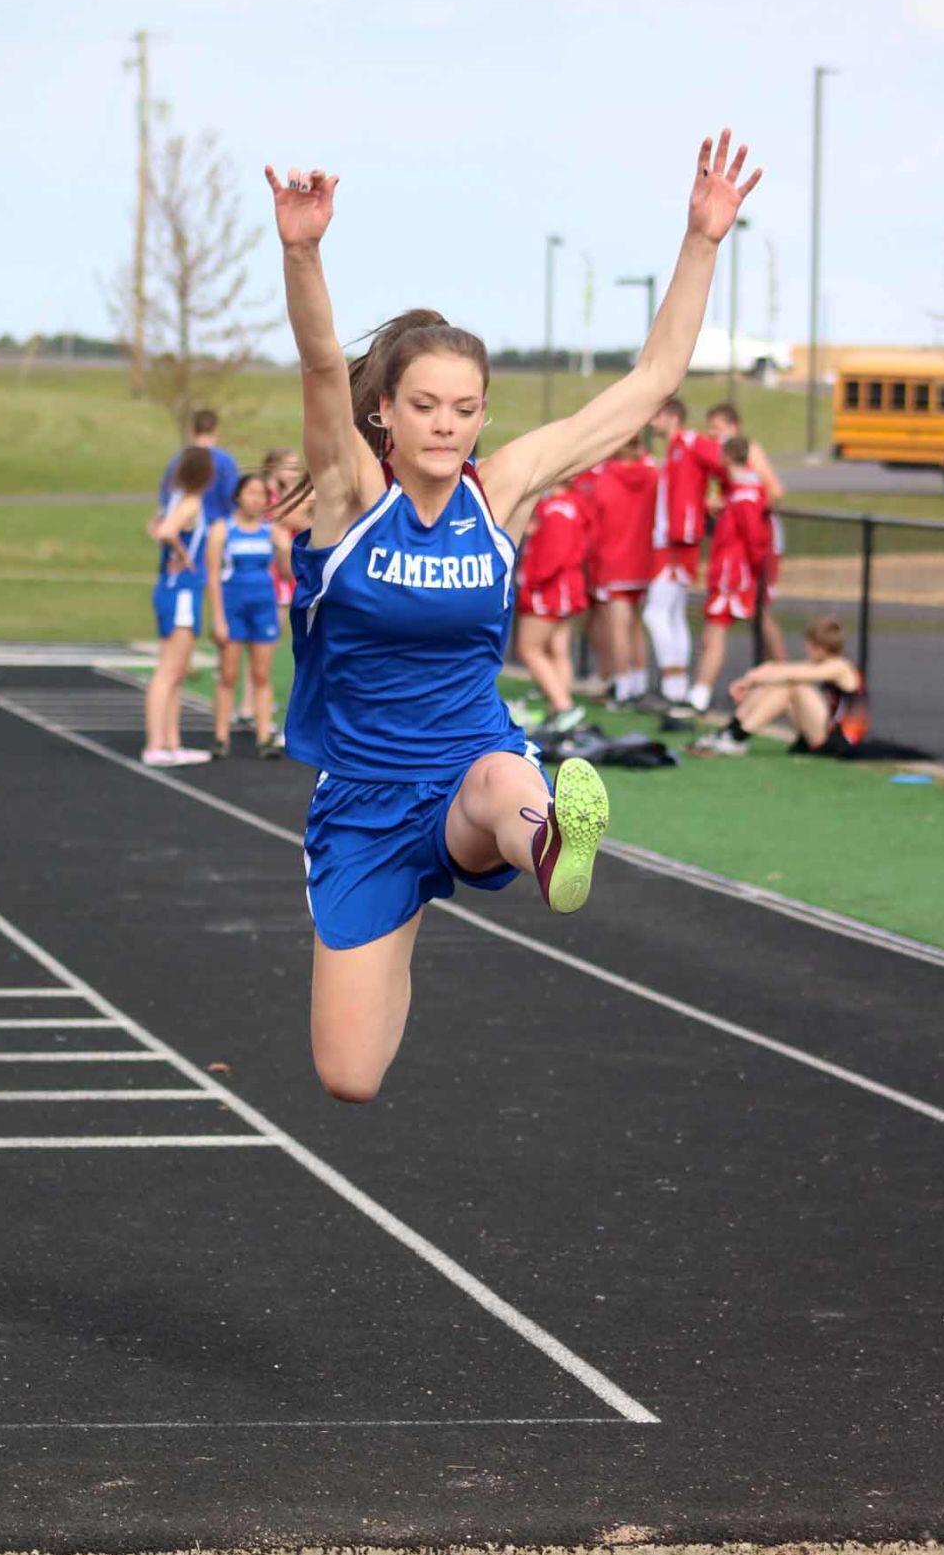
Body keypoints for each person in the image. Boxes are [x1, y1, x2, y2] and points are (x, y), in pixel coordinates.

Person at [264, 129, 759, 1101]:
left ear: (481, 414)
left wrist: (700, 240)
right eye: (425, 406)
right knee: (349, 1076)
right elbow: (324, 367)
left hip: (467, 775)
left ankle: (550, 839)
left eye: (462, 407)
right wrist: (302, 251)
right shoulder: (347, 498)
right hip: (363, 802)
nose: (445, 423)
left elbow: (648, 384)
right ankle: (415, 899)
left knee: (504, 771)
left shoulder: (500, 495)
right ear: (388, 418)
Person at [693, 613, 869, 756]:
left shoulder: (840, 667)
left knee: (795, 686)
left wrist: (752, 679)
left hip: (842, 742)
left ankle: (737, 738)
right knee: (778, 686)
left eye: (808, 645)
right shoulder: (824, 664)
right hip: (822, 732)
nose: (806, 650)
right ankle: (730, 733)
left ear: (818, 647)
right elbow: (777, 668)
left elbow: (790, 673)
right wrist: (748, 681)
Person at [207, 472, 294, 759]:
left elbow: (286, 573)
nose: (256, 499)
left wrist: (285, 551)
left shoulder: (271, 531)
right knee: (228, 674)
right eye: (251, 493)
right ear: (238, 496)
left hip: (263, 607)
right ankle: (221, 738)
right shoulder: (223, 529)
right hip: (233, 607)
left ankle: (263, 736)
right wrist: (218, 618)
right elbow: (212, 577)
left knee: (261, 673)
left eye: (261, 494)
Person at [646, 396, 723, 706]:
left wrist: (720, 496)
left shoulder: (690, 442)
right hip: (671, 538)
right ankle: (676, 686)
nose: (653, 422)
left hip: (679, 541)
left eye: (658, 415)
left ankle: (672, 684)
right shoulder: (675, 448)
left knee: (656, 613)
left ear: (673, 416)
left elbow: (724, 464)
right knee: (673, 613)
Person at [685, 435, 769, 714]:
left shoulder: (745, 493)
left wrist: (754, 567)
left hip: (734, 575)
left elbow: (754, 537)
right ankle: (701, 689)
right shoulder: (738, 490)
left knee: (715, 633)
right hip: (730, 572)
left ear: (729, 457)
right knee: (718, 631)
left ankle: (700, 692)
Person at [143, 445, 214, 768]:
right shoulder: (191, 503)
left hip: (170, 590)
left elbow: (156, 527)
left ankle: (172, 743)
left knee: (175, 672)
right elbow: (168, 531)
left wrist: (169, 545)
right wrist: (184, 557)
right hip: (182, 592)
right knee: (169, 672)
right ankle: (156, 744)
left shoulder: (174, 499)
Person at [584, 435, 659, 707]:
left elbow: (594, 523)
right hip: (643, 558)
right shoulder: (652, 476)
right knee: (635, 625)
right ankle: (638, 681)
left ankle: (623, 685)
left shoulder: (605, 480)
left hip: (612, 559)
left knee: (617, 626)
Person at [515, 486, 589, 734]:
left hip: (549, 589)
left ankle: (563, 706)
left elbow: (553, 554)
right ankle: (561, 712)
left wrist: (533, 581)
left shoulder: (555, 509)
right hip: (566, 585)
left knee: (529, 648)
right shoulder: (571, 503)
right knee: (558, 650)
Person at [157, 408, 240, 529]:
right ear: (216, 429)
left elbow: (166, 497)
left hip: (184, 527)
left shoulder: (178, 460)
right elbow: (232, 497)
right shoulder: (226, 462)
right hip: (216, 529)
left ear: (192, 430)